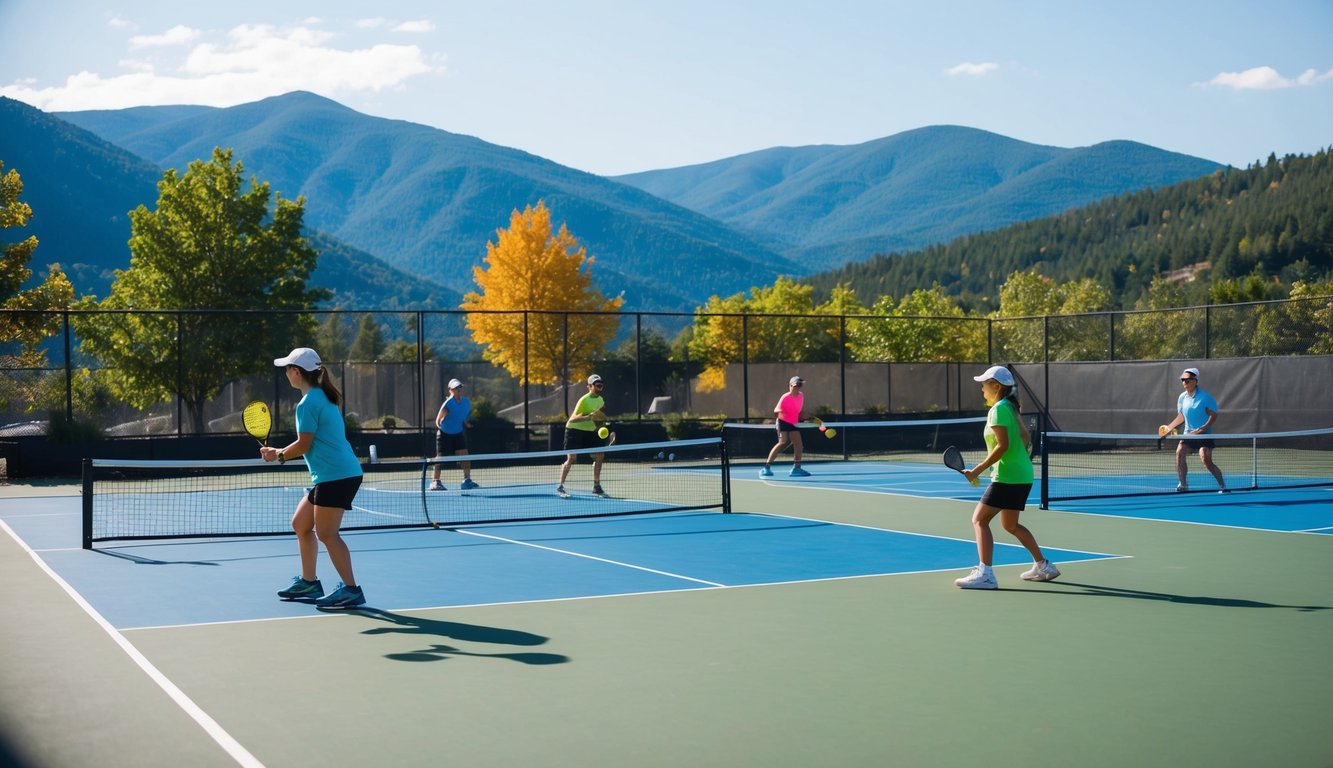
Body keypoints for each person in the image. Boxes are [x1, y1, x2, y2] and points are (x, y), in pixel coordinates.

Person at [261, 347, 367, 609]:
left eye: (287, 368)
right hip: (332, 475)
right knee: (300, 523)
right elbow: (309, 441)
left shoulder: (308, 403)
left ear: (296, 372)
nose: (286, 373)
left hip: (337, 476)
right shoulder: (322, 396)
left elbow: (304, 444)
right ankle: (309, 582)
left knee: (327, 534)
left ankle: (351, 590)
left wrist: (279, 455)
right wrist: (281, 452)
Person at [955, 365, 1059, 590]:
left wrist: (977, 470)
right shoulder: (1011, 408)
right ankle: (1043, 566)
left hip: (1008, 476)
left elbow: (1002, 446)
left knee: (979, 520)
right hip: (1022, 474)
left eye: (984, 384)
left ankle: (986, 574)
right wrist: (1013, 463)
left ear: (996, 386)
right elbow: (1024, 438)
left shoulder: (999, 409)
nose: (982, 388)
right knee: (1010, 525)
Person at [1163, 366, 1226, 492]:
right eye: (1182, 380)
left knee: (1205, 458)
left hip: (1204, 435)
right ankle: (1183, 484)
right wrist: (1169, 428)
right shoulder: (1182, 397)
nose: (1184, 383)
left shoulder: (1205, 397)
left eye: (1188, 380)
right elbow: (1181, 417)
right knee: (1180, 452)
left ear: (1195, 381)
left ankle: (1222, 485)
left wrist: (1203, 429)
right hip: (1188, 434)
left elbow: (1213, 415)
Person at [557, 374, 612, 498]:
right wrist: (589, 416)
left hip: (591, 431)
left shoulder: (601, 400)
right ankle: (560, 486)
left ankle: (596, 486)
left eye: (601, 386)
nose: (599, 388)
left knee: (600, 455)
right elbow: (573, 419)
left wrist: (602, 425)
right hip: (574, 430)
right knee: (571, 458)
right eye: (597, 385)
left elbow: (600, 418)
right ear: (589, 386)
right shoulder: (584, 400)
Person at [429, 378, 478, 491]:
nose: (458, 389)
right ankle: (435, 482)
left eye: (459, 387)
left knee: (465, 456)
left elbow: (464, 416)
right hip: (444, 433)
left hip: (457, 433)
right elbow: (438, 419)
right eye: (455, 388)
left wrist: (467, 423)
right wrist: (440, 426)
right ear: (450, 390)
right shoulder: (448, 404)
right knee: (440, 459)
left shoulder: (466, 402)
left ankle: (467, 481)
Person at [760, 376, 810, 477]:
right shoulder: (785, 397)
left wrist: (806, 416)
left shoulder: (801, 396)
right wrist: (787, 419)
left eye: (799, 385)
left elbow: (798, 411)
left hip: (792, 422)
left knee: (798, 444)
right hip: (783, 421)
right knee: (783, 442)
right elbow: (776, 412)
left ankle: (796, 468)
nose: (797, 387)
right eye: (795, 385)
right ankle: (766, 467)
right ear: (790, 386)